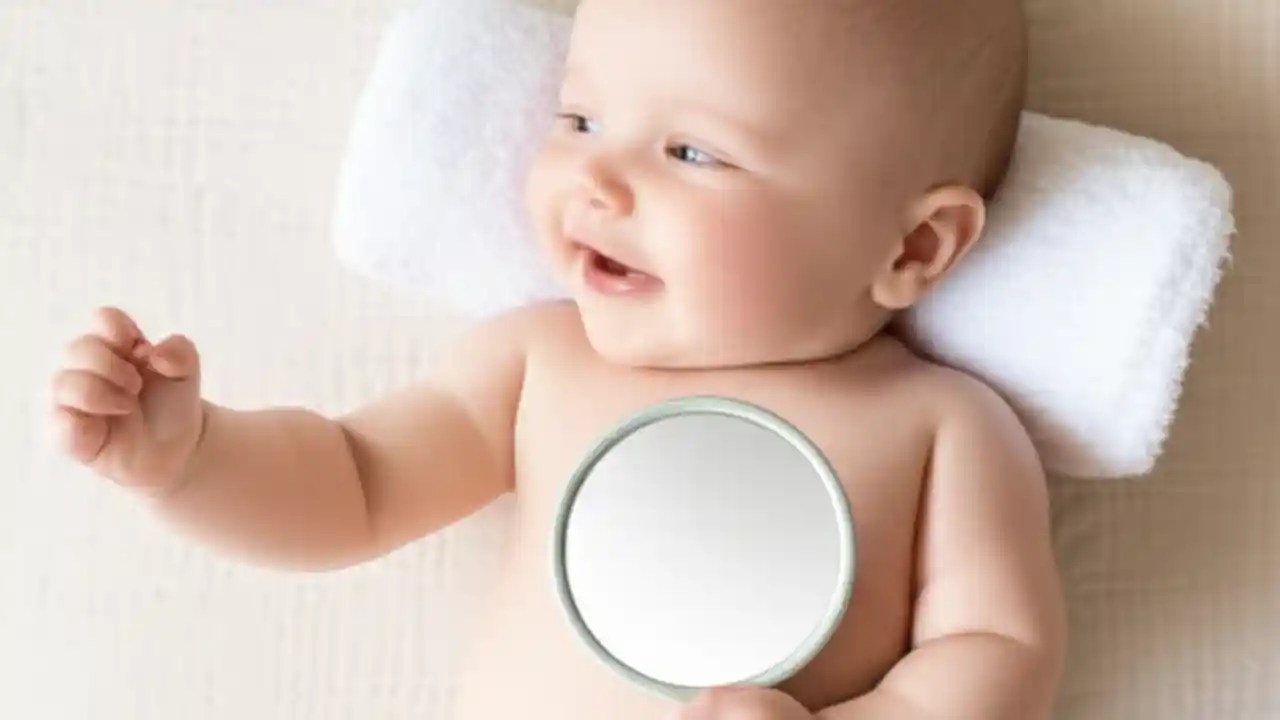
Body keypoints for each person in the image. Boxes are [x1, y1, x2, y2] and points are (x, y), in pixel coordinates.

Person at [48, 0, 1065, 717]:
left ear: (912, 247)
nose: (597, 180)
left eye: (691, 153)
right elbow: (354, 483)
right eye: (579, 120)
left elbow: (993, 651)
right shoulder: (541, 366)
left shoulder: (938, 426)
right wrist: (190, 462)